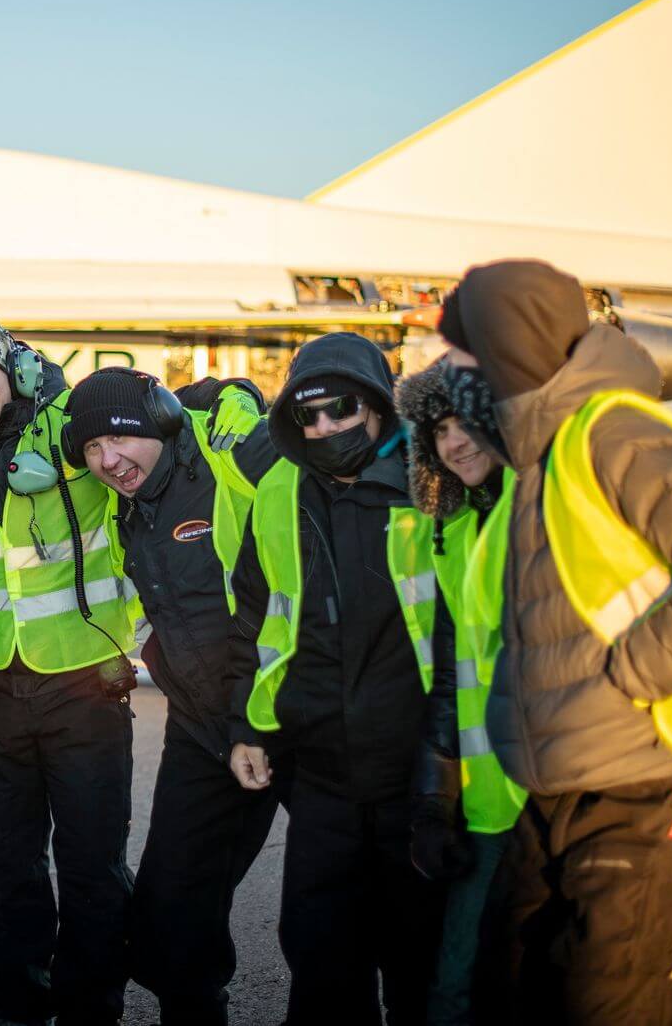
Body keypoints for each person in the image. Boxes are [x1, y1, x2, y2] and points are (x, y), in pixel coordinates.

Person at [439, 260, 672, 1024]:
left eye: (463, 352)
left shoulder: (610, 430)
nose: (451, 370)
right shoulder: (540, 456)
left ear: (511, 347)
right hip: (557, 785)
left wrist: (629, 674)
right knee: (511, 993)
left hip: (648, 777)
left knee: (616, 1001)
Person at [0, 313, 137, 1026]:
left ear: (12, 369)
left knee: (90, 860)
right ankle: (19, 998)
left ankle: (91, 1003)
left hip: (85, 680)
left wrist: (228, 402)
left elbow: (160, 420)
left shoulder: (69, 423)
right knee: (2, 861)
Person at [226, 331, 448, 1025]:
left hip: (419, 771)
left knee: (424, 963)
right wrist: (247, 726)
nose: (324, 426)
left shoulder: (435, 482)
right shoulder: (279, 491)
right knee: (322, 964)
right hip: (320, 774)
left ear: (378, 406)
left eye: (341, 408)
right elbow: (255, 621)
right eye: (309, 414)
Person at [64, 366, 278, 1026]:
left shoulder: (234, 454)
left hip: (284, 713)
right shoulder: (127, 502)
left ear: (158, 423)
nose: (107, 461)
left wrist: (235, 394)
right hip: (202, 724)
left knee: (340, 912)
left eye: (119, 439)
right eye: (92, 448)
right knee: (171, 916)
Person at [396, 358, 522, 1026]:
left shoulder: (550, 512)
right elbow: (451, 677)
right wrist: (433, 804)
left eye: (467, 420)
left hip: (578, 802)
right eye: (438, 428)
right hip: (493, 805)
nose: (455, 442)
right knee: (458, 989)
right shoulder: (454, 528)